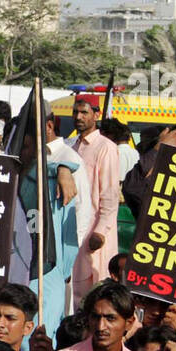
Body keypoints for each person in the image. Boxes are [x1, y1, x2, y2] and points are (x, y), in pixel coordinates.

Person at [12, 106, 80, 337]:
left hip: (46, 275)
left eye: (29, 147)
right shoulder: (3, 180)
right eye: (20, 147)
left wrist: (65, 168)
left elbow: (70, 237)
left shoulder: (55, 182)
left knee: (41, 338)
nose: (24, 153)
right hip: (11, 276)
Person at [67, 93, 121, 299]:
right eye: (75, 112)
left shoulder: (106, 148)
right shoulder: (71, 146)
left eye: (84, 112)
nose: (78, 117)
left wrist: (99, 232)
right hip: (73, 228)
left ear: (96, 115)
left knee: (93, 290)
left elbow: (110, 195)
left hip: (94, 232)